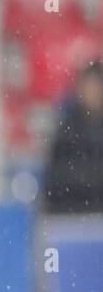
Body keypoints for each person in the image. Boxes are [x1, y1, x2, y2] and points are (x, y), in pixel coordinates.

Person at [42, 61, 103, 214]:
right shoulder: (67, 130)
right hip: (73, 214)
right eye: (89, 87)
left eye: (97, 87)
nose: (93, 93)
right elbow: (57, 177)